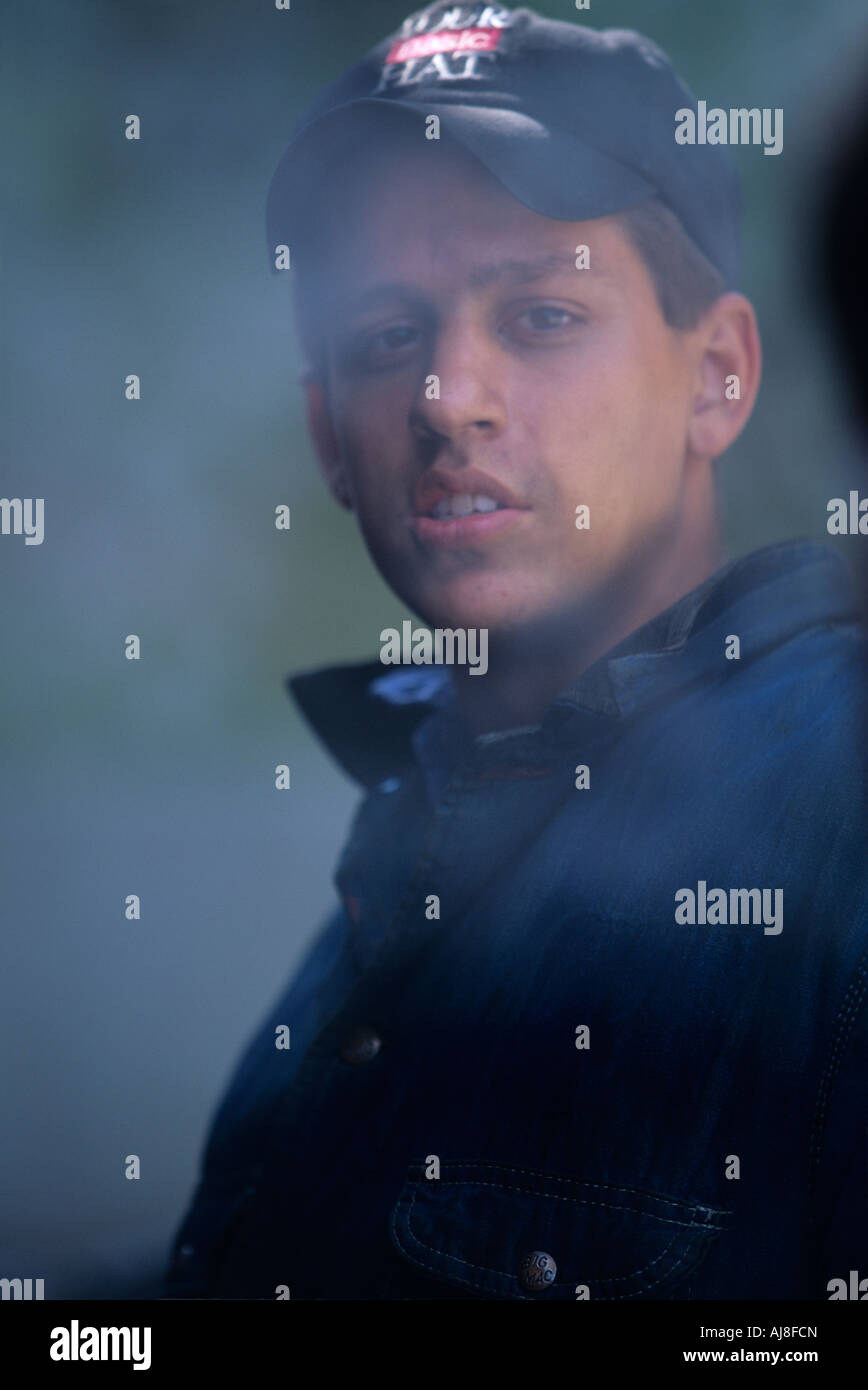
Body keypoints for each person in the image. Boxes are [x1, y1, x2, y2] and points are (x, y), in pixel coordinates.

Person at [163, 3, 868, 1300]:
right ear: (327, 435)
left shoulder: (840, 815)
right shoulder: (417, 832)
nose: (448, 397)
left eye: (540, 316)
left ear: (717, 374)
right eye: (386, 337)